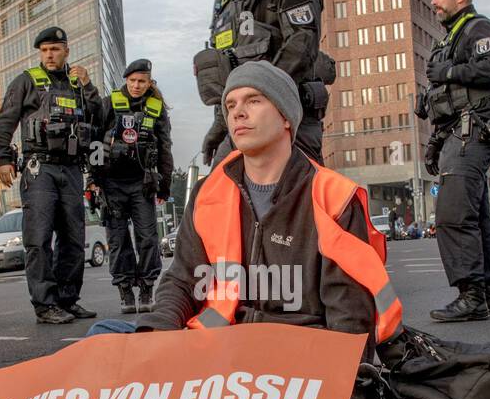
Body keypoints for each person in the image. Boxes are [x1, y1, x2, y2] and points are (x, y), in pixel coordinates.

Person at [90, 62, 404, 364]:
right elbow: (182, 281)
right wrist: (158, 332)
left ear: (285, 117)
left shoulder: (332, 196)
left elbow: (348, 312)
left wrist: (340, 384)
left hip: (294, 359)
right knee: (102, 337)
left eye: (253, 100)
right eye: (230, 105)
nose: (238, 112)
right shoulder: (208, 193)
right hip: (220, 350)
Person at [194, 0, 332, 166]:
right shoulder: (235, 0)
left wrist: (267, 101)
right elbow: (232, 72)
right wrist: (220, 126)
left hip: (288, 128)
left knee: (296, 204)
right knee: (216, 199)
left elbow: (302, 44)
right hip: (243, 131)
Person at [417, 0, 490, 322]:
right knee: (476, 216)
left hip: (474, 130)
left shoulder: (478, 29)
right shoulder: (450, 39)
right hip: (458, 132)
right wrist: (435, 139)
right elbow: (447, 100)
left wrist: (449, 74)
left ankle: (471, 296)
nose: (433, 1)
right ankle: (489, 295)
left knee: (454, 215)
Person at [0, 26, 103, 325]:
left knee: (74, 238)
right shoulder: (27, 80)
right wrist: (3, 158)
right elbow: (5, 120)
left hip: (71, 168)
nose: (49, 55)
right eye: (44, 50)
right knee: (38, 239)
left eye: (55, 49)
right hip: (39, 168)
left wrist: (88, 86)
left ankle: (68, 299)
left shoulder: (78, 83)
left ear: (67, 50)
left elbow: (99, 119)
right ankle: (45, 304)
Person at [97, 59, 173, 313]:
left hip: (142, 184)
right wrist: (93, 182)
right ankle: (125, 291)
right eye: (133, 81)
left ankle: (147, 290)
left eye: (142, 81)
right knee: (118, 240)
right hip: (112, 184)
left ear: (149, 82)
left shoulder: (156, 107)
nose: (137, 86)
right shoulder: (109, 103)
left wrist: (165, 185)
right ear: (126, 80)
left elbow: (164, 148)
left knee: (148, 239)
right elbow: (95, 144)